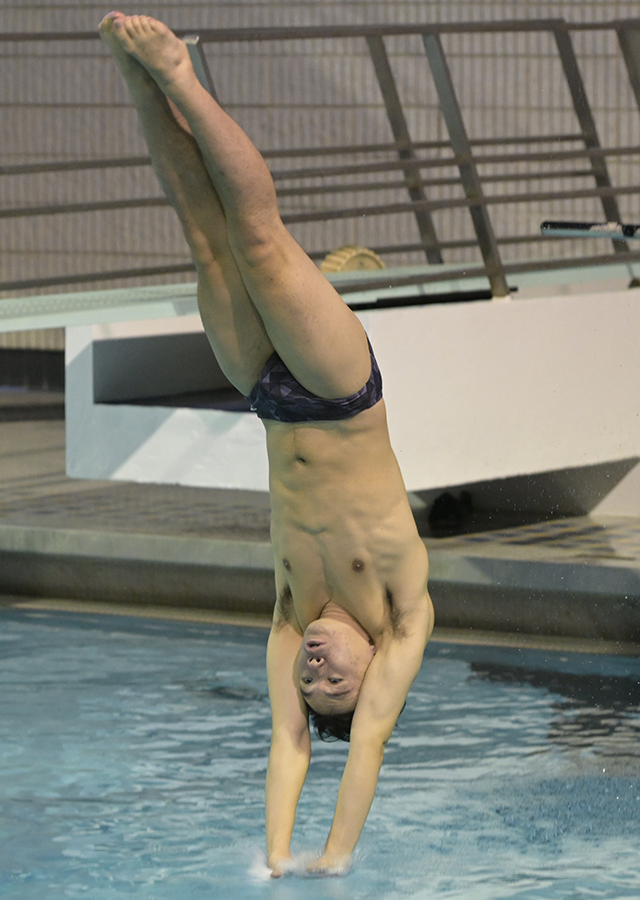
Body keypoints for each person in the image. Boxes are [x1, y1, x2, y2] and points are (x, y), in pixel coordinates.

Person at [98, 12, 435, 876]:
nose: (318, 669)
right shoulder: (402, 618)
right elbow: (361, 751)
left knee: (207, 245)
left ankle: (135, 81)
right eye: (336, 681)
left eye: (311, 681)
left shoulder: (290, 620)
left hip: (265, 396)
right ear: (370, 677)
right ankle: (178, 72)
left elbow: (290, 745)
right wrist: (333, 855)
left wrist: (276, 858)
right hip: (336, 393)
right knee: (257, 238)